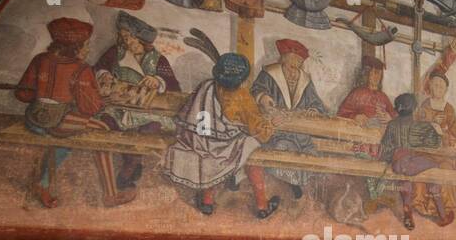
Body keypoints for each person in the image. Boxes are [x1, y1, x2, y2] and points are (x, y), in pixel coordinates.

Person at [15, 16, 134, 208]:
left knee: (67, 140)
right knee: (103, 131)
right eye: (85, 45)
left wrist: (46, 92)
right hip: (57, 121)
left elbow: (22, 94)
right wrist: (104, 100)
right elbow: (91, 108)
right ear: (75, 48)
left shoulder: (40, 59)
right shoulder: (81, 68)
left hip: (33, 120)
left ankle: (42, 185)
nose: (87, 50)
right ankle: (110, 195)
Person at [162, 53, 281, 220]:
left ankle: (207, 202)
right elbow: (260, 133)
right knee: (251, 151)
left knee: (210, 156)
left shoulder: (206, 87)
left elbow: (194, 116)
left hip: (199, 140)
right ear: (243, 79)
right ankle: (262, 205)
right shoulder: (242, 97)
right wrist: (273, 124)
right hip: (225, 145)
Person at [93, 12, 180, 189]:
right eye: (123, 37)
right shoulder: (115, 53)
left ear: (140, 39)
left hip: (148, 110)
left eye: (129, 37)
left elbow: (174, 87)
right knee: (109, 124)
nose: (125, 41)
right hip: (119, 108)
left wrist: (158, 81)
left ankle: (131, 165)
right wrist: (104, 75)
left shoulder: (158, 60)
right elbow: (99, 68)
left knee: (150, 129)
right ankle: (131, 164)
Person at [251, 38, 327, 199]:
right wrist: (263, 97)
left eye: (298, 67)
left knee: (310, 154)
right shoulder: (269, 75)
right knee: (282, 150)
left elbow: (317, 103)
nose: (294, 72)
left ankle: (299, 185)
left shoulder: (305, 80)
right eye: (291, 66)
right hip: (276, 131)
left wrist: (314, 109)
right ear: (283, 61)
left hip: (301, 135)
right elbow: (256, 91)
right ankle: (288, 184)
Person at [371, 92, 452, 230]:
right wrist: (437, 132)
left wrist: (392, 156)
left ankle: (407, 214)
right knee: (434, 168)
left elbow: (384, 148)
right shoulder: (417, 125)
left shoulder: (391, 124)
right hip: (410, 164)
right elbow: (434, 143)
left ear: (398, 109)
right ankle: (442, 214)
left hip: (397, 164)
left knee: (404, 178)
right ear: (414, 108)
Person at [410, 38, 456, 225]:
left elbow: (454, 137)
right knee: (421, 167)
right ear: (430, 86)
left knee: (446, 170)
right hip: (425, 151)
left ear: (446, 89)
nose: (437, 88)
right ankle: (423, 206)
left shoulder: (449, 110)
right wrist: (429, 126)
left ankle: (446, 208)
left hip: (443, 153)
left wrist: (444, 132)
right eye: (435, 84)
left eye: (441, 86)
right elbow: (415, 132)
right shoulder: (424, 107)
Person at [337, 56, 395, 126]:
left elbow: (395, 116)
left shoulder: (383, 96)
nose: (375, 76)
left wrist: (390, 118)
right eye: (373, 72)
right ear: (367, 74)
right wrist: (355, 116)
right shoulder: (357, 93)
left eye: (378, 73)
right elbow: (341, 113)